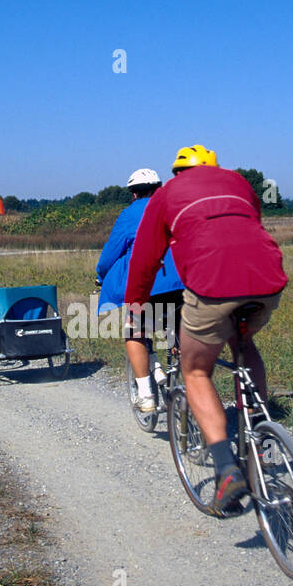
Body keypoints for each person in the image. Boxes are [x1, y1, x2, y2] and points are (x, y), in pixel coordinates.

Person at [126, 145, 287, 514]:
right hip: (268, 280)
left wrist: (136, 306)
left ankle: (227, 470)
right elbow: (247, 228)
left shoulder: (165, 195)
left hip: (213, 284)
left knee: (196, 370)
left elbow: (147, 258)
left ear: (177, 173)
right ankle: (260, 432)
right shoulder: (239, 183)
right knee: (243, 343)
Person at [96, 169, 184, 413]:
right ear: (159, 188)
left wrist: (100, 275)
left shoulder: (130, 213)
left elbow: (111, 253)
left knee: (134, 331)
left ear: (133, 193)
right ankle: (187, 379)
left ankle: (146, 394)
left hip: (149, 286)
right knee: (177, 329)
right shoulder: (174, 208)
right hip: (184, 284)